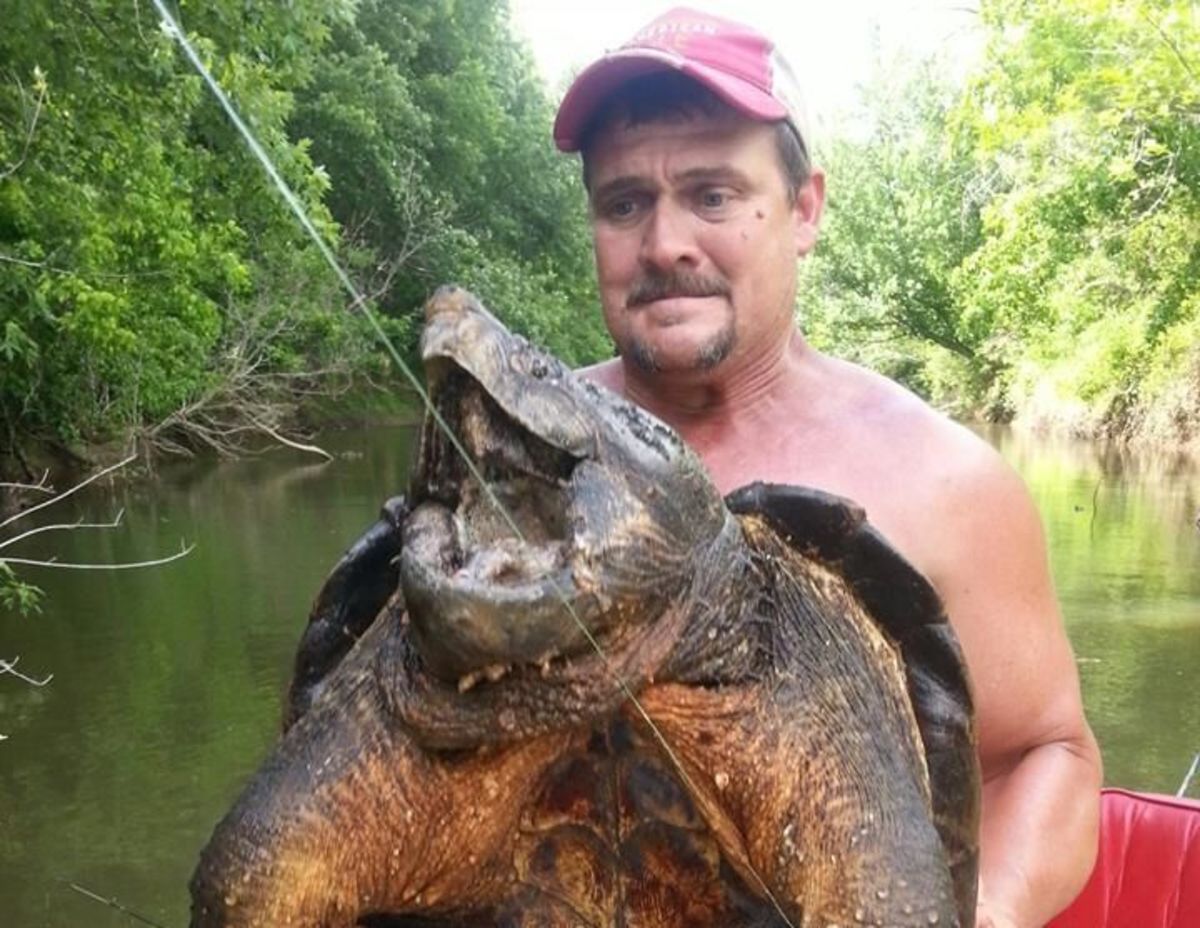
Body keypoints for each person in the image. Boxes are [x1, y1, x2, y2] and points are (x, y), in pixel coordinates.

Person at [551, 7, 1102, 928]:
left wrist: (984, 914)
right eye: (624, 203)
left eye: (714, 195)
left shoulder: (946, 483)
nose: (665, 243)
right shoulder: (512, 451)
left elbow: (1047, 756)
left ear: (804, 208)